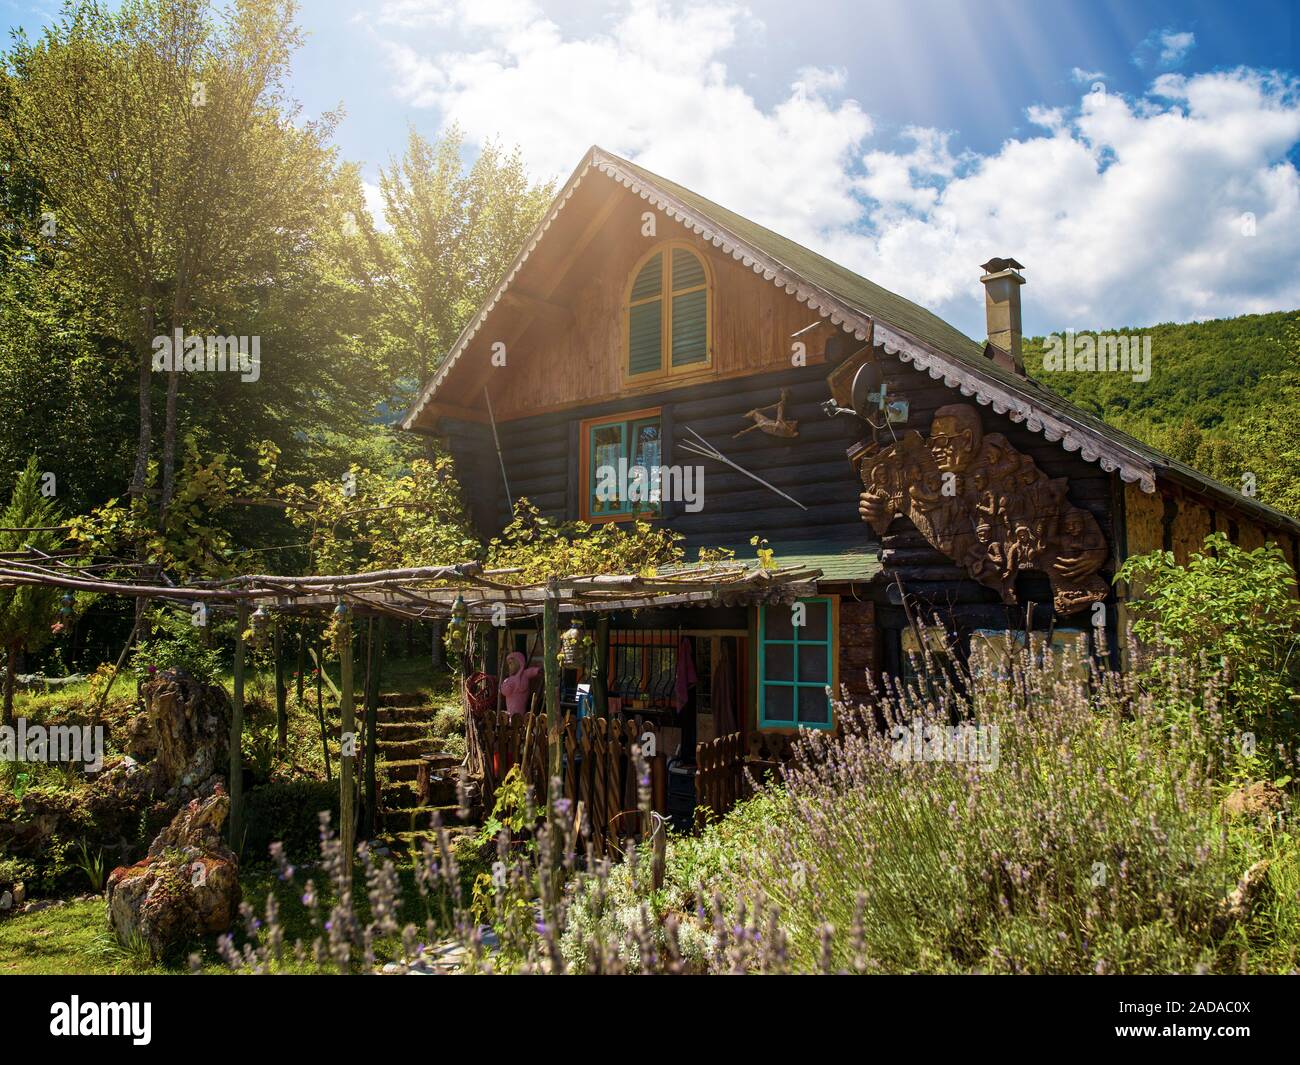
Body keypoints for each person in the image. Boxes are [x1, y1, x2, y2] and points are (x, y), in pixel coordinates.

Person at [500, 650, 541, 716]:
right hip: (511, 706)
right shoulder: (509, 679)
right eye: (508, 664)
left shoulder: (524, 675)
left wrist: (537, 671)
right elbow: (504, 690)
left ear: (519, 663)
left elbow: (530, 671)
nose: (509, 666)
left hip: (521, 706)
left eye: (511, 663)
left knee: (520, 714)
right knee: (511, 714)